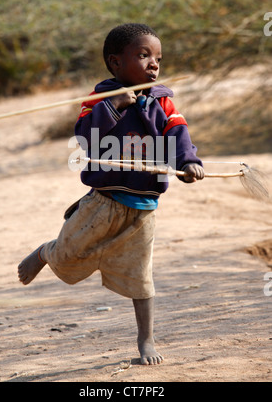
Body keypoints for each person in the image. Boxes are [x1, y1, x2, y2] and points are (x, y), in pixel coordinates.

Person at [18, 23, 204, 365]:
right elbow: (84, 138)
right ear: (116, 63)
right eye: (143, 55)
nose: (154, 64)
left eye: (158, 58)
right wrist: (114, 105)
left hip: (145, 206)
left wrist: (189, 163)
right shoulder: (99, 99)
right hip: (103, 200)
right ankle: (46, 253)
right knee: (70, 254)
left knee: (141, 276)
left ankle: (145, 339)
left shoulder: (162, 100)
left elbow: (179, 134)